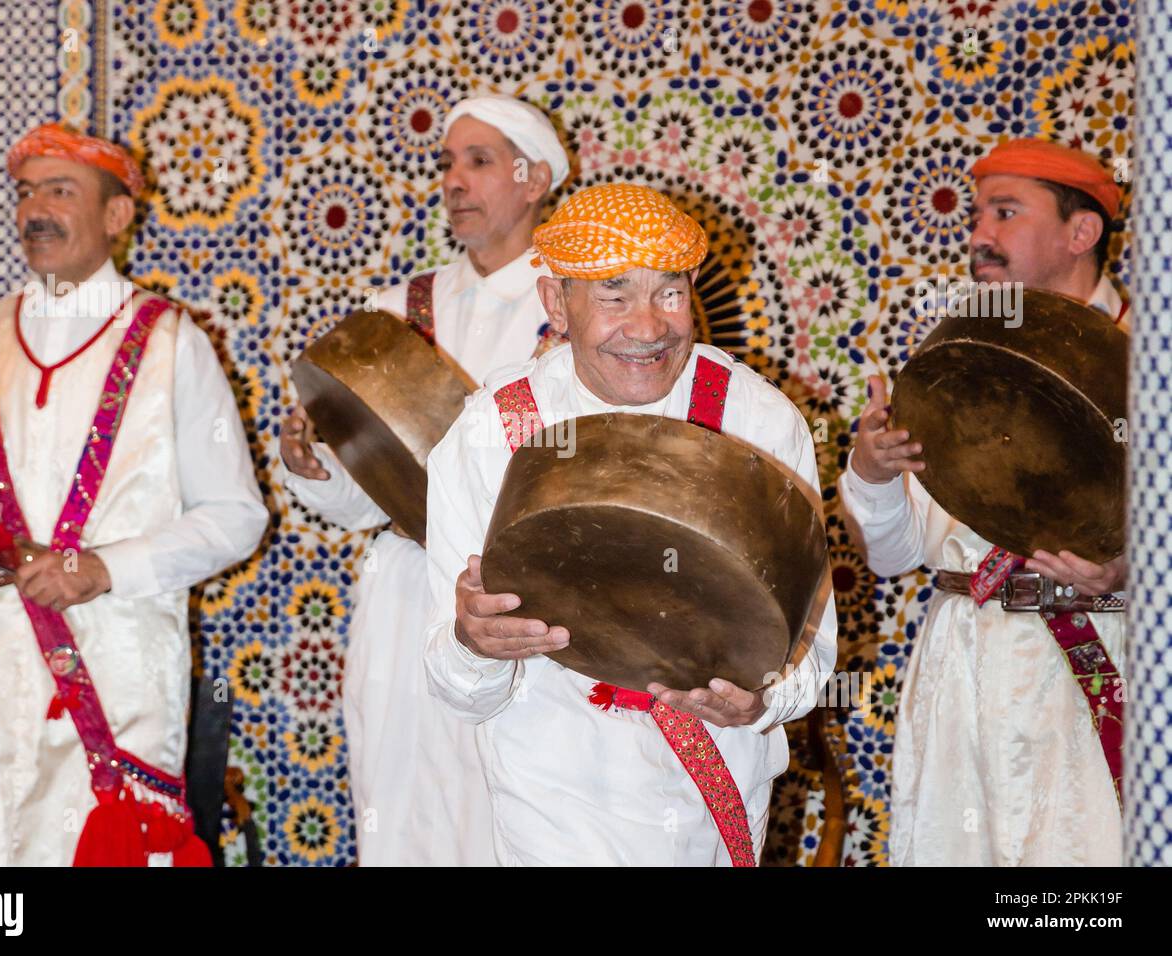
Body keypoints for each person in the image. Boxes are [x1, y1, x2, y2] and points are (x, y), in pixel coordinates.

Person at [423, 182, 837, 865]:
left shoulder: (758, 423)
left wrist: (761, 701)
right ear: (556, 302)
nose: (647, 328)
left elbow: (813, 646)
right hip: (554, 799)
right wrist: (475, 641)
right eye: (613, 295)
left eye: (669, 293)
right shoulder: (493, 431)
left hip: (716, 790)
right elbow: (455, 687)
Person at [0, 122, 268, 865]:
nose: (35, 210)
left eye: (60, 191)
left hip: (117, 658)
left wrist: (103, 568)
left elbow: (236, 517)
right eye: (26, 192)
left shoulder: (170, 343)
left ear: (118, 215)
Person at [280, 95, 570, 865]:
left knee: (508, 807)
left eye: (477, 161)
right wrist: (311, 469)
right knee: (400, 804)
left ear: (534, 177)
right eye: (447, 162)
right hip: (407, 598)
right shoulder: (393, 315)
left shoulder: (577, 308)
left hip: (522, 598)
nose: (454, 180)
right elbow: (357, 498)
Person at [838, 138, 1128, 866]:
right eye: (976, 214)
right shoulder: (960, 354)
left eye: (1005, 212)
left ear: (1081, 231)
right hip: (961, 658)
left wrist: (1132, 574)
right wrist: (874, 472)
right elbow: (895, 555)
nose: (978, 234)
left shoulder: (1149, 356)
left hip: (1105, 657)